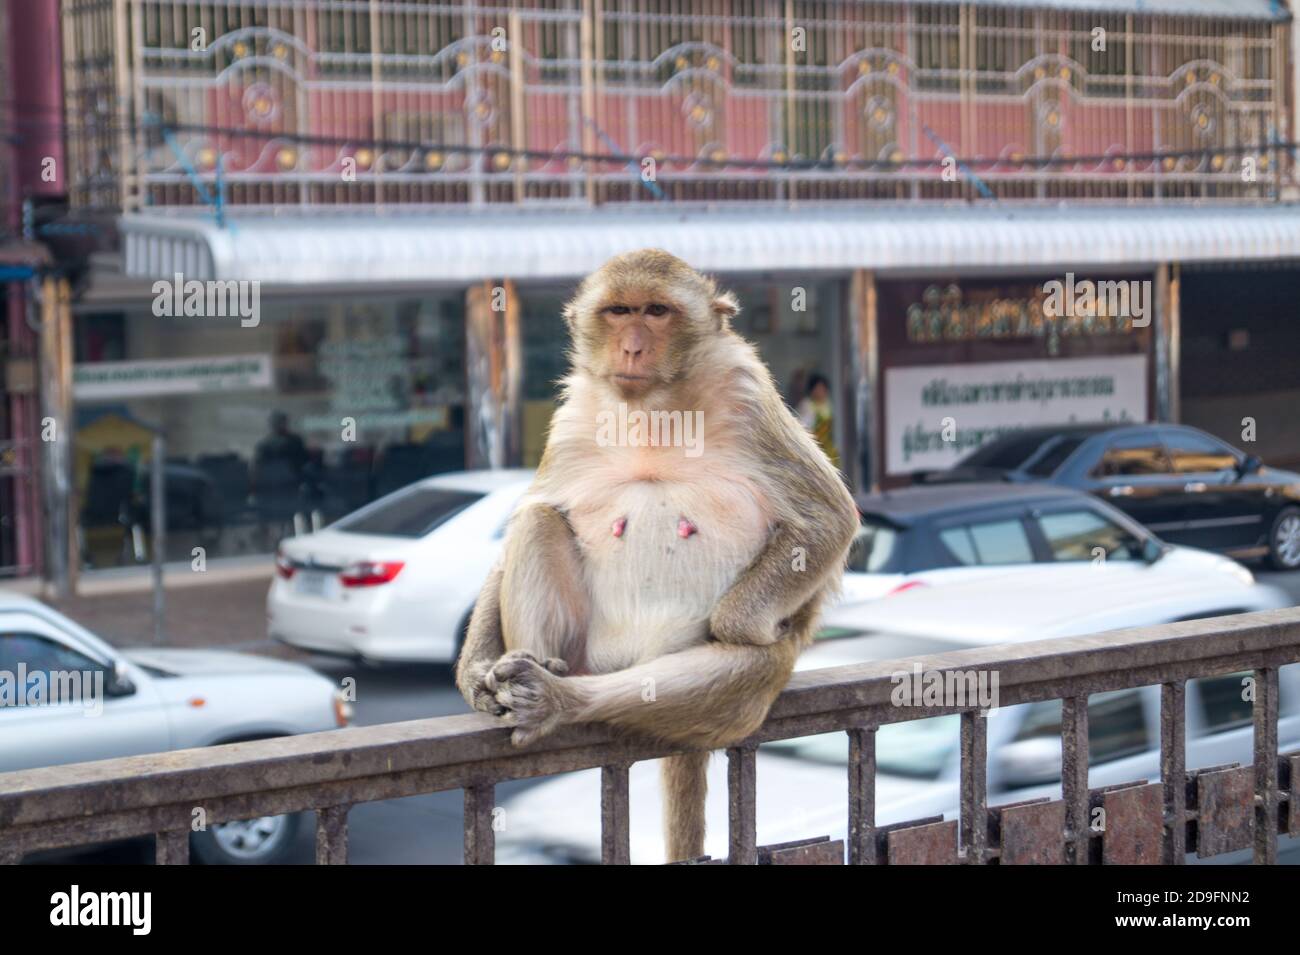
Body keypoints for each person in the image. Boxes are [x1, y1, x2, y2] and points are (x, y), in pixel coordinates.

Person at [797, 373, 840, 469]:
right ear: (812, 390)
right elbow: (804, 428)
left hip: (828, 449)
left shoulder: (828, 405)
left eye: (823, 389)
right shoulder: (807, 406)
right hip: (814, 449)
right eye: (818, 388)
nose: (821, 391)